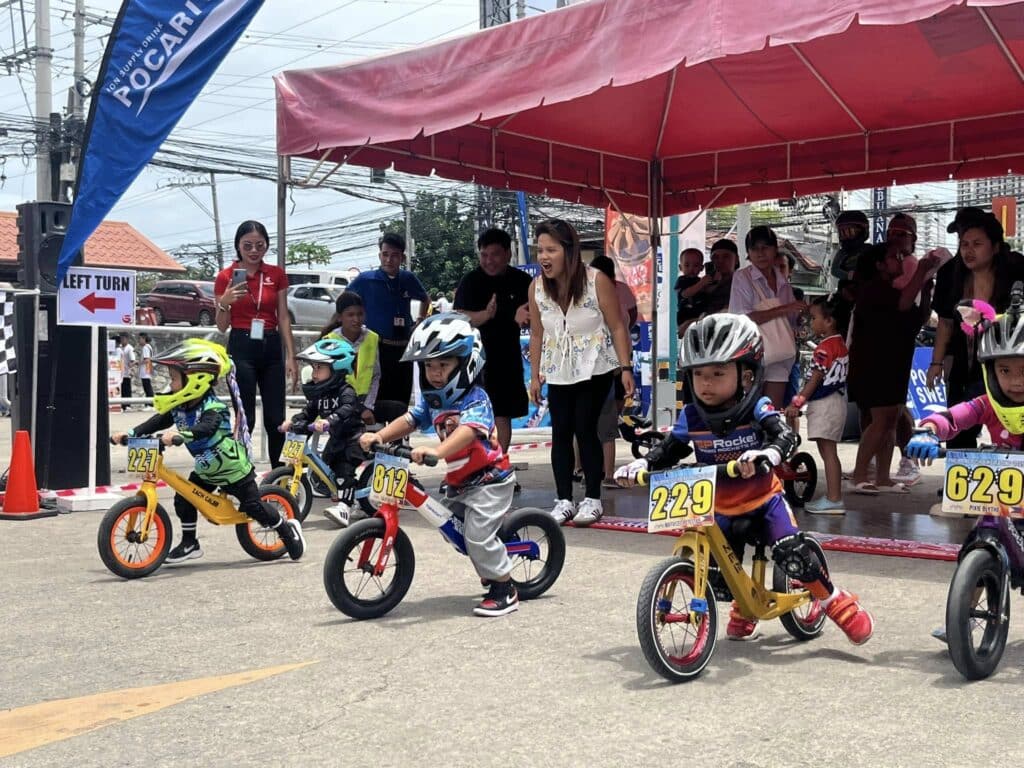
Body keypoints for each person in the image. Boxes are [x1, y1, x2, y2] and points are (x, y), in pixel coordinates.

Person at [615, 314, 873, 645]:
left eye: (718, 373)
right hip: (718, 506)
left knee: (791, 554)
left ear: (746, 375)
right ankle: (745, 605)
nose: (706, 383)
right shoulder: (691, 416)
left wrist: (768, 455)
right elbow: (670, 449)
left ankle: (834, 601)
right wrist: (642, 464)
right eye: (699, 375)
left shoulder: (757, 408)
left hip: (764, 503)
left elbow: (784, 436)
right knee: (719, 573)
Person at [359, 313, 519, 617]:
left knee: (476, 537)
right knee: (450, 529)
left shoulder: (476, 399)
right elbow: (410, 419)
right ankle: (489, 557)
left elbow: (468, 431)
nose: (434, 373)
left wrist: (437, 450)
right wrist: (379, 435)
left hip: (490, 481)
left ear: (466, 364)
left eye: (443, 365)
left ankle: (505, 589)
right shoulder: (433, 400)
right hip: (461, 482)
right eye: (429, 366)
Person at [111, 339, 305, 563]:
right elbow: (157, 421)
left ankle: (286, 530)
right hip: (206, 469)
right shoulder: (179, 407)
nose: (170, 385)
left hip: (233, 470)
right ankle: (190, 544)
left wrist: (181, 436)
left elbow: (207, 427)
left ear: (195, 380)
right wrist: (130, 433)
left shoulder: (213, 407)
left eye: (174, 379)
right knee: (184, 499)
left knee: (253, 507)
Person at [906, 292, 1024, 641]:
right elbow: (958, 415)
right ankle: (963, 616)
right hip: (1002, 494)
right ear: (991, 371)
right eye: (1005, 370)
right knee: (978, 541)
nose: (1015, 381)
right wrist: (929, 430)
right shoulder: (988, 403)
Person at [528, 219, 636, 526]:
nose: (544, 257)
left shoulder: (596, 280)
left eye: (551, 250)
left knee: (586, 428)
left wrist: (625, 368)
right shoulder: (536, 287)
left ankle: (593, 498)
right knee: (560, 432)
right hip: (558, 370)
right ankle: (564, 499)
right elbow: (537, 333)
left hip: (594, 367)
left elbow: (617, 326)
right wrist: (534, 376)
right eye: (540, 250)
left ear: (569, 251)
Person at [846, 243, 938, 494]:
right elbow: (903, 305)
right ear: (879, 265)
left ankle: (883, 477)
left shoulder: (893, 290)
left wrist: (925, 290)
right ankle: (861, 474)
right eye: (893, 257)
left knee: (891, 420)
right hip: (875, 365)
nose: (900, 260)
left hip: (895, 364)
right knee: (881, 420)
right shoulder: (873, 289)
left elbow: (917, 317)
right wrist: (921, 271)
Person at [214, 220, 298, 468]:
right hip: (241, 345)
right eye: (247, 245)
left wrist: (291, 356)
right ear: (238, 246)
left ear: (266, 246)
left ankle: (279, 475)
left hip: (271, 345)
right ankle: (241, 472)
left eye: (259, 245)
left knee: (276, 418)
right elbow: (221, 326)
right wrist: (224, 303)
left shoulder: (276, 274)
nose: (253, 251)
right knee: (245, 418)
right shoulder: (226, 277)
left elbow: (283, 316)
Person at [454, 227, 533, 454]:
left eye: (495, 255)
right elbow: (459, 317)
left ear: (508, 254)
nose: (489, 261)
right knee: (471, 412)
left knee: (502, 413)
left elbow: (537, 315)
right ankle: (472, 461)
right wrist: (485, 316)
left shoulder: (523, 281)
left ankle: (499, 460)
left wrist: (525, 318)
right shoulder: (470, 281)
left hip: (507, 358)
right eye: (484, 255)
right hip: (474, 359)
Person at [281, 338, 364, 528]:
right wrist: (293, 421)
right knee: (326, 469)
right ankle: (346, 495)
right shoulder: (321, 395)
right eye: (313, 368)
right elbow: (308, 412)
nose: (314, 373)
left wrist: (329, 420)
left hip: (352, 439)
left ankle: (344, 507)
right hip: (335, 439)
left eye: (319, 368)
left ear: (336, 369)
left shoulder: (346, 391)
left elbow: (347, 408)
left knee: (343, 470)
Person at [347, 233, 429, 412]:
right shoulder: (366, 279)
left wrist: (420, 320)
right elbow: (345, 302)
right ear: (379, 255)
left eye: (394, 255)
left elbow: (425, 298)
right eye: (385, 254)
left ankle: (398, 431)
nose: (389, 260)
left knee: (401, 402)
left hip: (403, 348)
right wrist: (354, 325)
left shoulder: (408, 279)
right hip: (376, 349)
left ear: (402, 258)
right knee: (375, 400)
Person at [785, 294, 851, 514]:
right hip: (836, 401)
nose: (811, 323)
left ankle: (834, 499)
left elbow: (815, 379)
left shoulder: (824, 348)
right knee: (828, 451)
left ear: (829, 321)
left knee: (828, 452)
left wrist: (798, 401)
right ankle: (833, 498)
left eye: (814, 318)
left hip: (825, 403)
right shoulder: (840, 344)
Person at [729, 226, 805, 409]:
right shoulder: (742, 277)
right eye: (754, 248)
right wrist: (785, 308)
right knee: (750, 409)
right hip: (752, 353)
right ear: (748, 253)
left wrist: (803, 316)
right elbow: (743, 319)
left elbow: (792, 320)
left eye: (765, 247)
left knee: (773, 411)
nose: (760, 253)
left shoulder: (782, 280)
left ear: (775, 249)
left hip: (781, 353)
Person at [590, 254, 638, 488]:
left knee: (607, 420)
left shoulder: (620, 293)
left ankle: (605, 472)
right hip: (596, 366)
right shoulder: (587, 296)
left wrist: (623, 366)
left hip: (616, 364)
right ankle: (591, 470)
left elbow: (628, 321)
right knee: (593, 423)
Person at [321, 291, 382, 425]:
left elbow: (375, 376)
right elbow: (328, 383)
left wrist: (367, 406)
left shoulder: (372, 338)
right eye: (350, 315)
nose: (356, 319)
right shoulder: (329, 341)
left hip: (365, 402)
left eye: (360, 314)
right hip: (338, 404)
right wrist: (356, 408)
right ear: (340, 317)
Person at [678, 239, 737, 332]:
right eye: (715, 257)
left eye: (726, 257)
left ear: (736, 260)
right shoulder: (703, 282)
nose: (720, 261)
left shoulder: (740, 283)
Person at [674, 247, 704, 331]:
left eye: (696, 265)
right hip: (685, 316)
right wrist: (702, 284)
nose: (691, 269)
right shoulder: (682, 280)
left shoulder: (700, 280)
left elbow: (707, 291)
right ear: (680, 267)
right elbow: (685, 294)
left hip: (699, 313)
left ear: (702, 268)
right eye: (687, 265)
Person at [118, 334, 136, 411]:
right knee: (122, 389)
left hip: (127, 372)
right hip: (120, 373)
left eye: (123, 339)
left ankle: (128, 405)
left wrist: (131, 369)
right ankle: (122, 405)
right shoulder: (120, 347)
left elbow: (133, 360)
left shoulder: (129, 348)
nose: (122, 340)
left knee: (127, 389)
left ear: (127, 339)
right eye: (121, 339)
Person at [139, 333, 155, 405]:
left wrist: (138, 362)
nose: (139, 340)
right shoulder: (149, 347)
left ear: (144, 339)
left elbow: (147, 360)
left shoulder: (145, 347)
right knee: (148, 387)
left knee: (147, 388)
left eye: (140, 338)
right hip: (148, 370)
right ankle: (149, 404)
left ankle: (150, 404)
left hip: (145, 370)